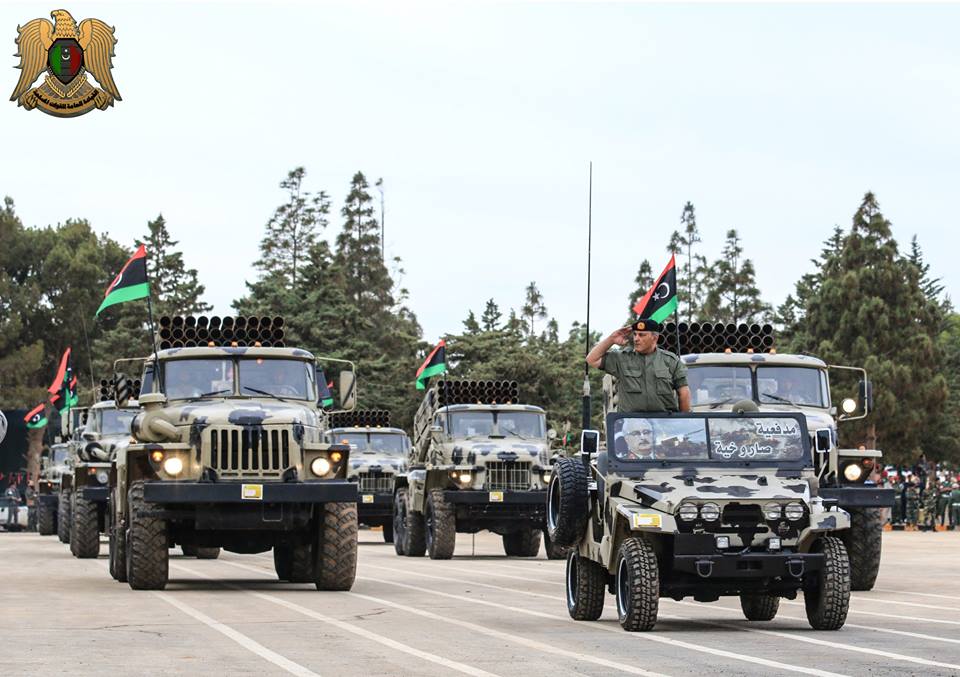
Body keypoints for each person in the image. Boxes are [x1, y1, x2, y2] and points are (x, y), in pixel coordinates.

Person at [587, 318, 691, 413]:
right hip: (631, 426)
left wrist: (682, 422)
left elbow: (684, 394)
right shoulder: (622, 359)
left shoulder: (670, 361)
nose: (636, 339)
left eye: (642, 335)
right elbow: (591, 359)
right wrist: (611, 339)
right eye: (635, 334)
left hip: (664, 425)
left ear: (655, 338)